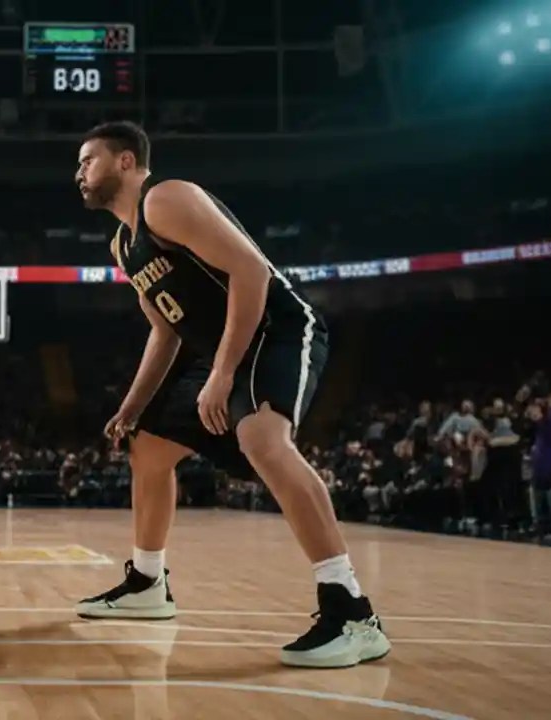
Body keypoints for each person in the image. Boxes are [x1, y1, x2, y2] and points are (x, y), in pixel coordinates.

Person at [70, 121, 389, 669]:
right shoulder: (123, 244)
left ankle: (352, 611)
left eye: (88, 160)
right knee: (146, 445)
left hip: (276, 328)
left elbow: (249, 269)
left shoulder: (165, 198)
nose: (78, 173)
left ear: (125, 161)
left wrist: (222, 373)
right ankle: (148, 584)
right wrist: (132, 405)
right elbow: (165, 331)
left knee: (263, 438)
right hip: (219, 349)